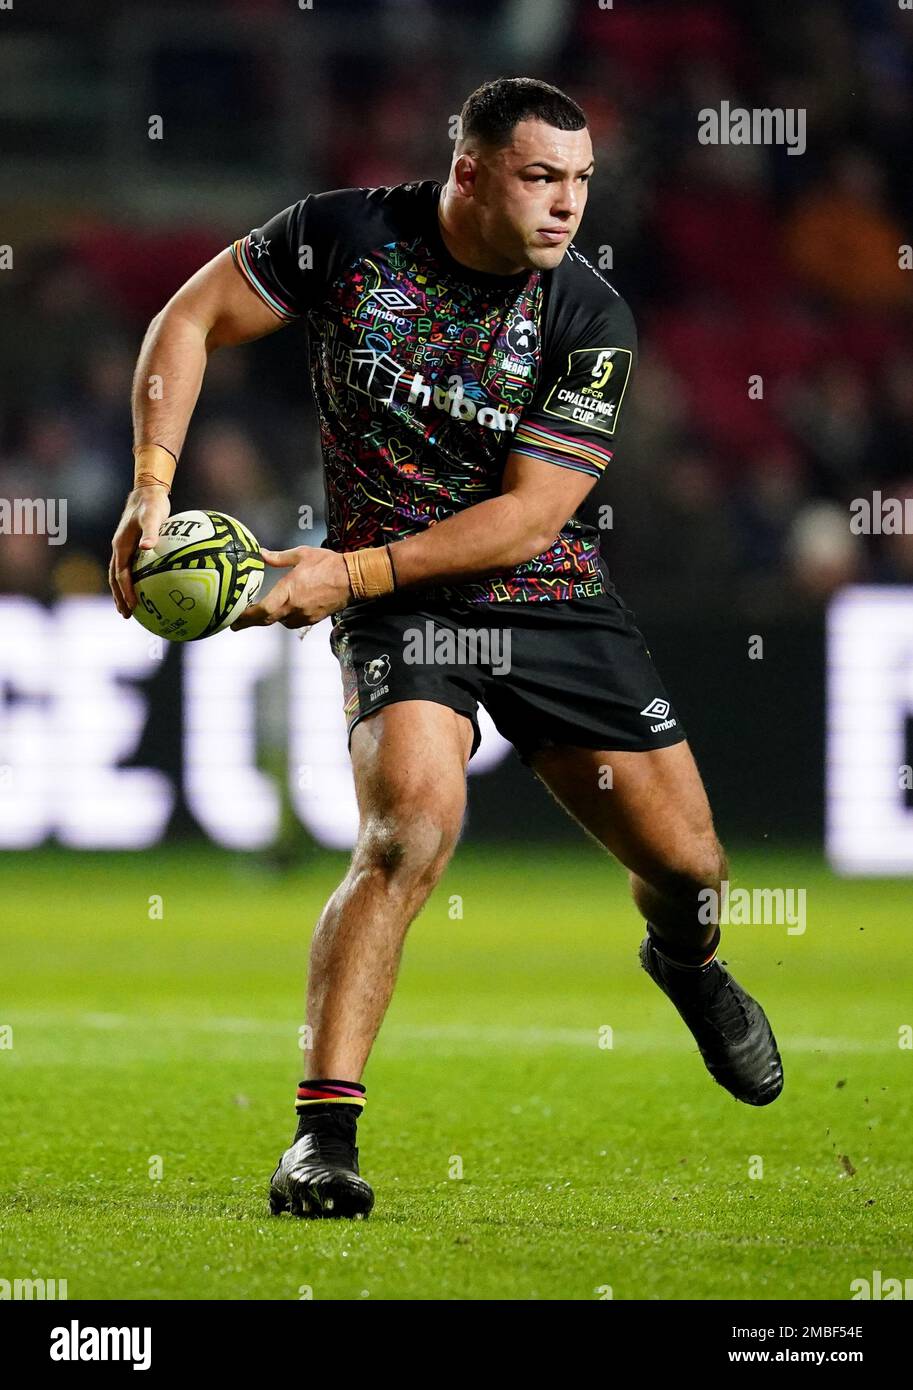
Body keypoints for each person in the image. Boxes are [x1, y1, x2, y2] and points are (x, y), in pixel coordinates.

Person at [109, 77, 782, 1222]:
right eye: (541, 178)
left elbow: (527, 520)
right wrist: (151, 488)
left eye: (580, 182)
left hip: (545, 599)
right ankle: (321, 1139)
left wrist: (339, 571)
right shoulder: (344, 236)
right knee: (407, 830)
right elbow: (189, 318)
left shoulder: (588, 317)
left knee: (691, 871)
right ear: (468, 171)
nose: (567, 205)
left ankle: (686, 963)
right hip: (405, 611)